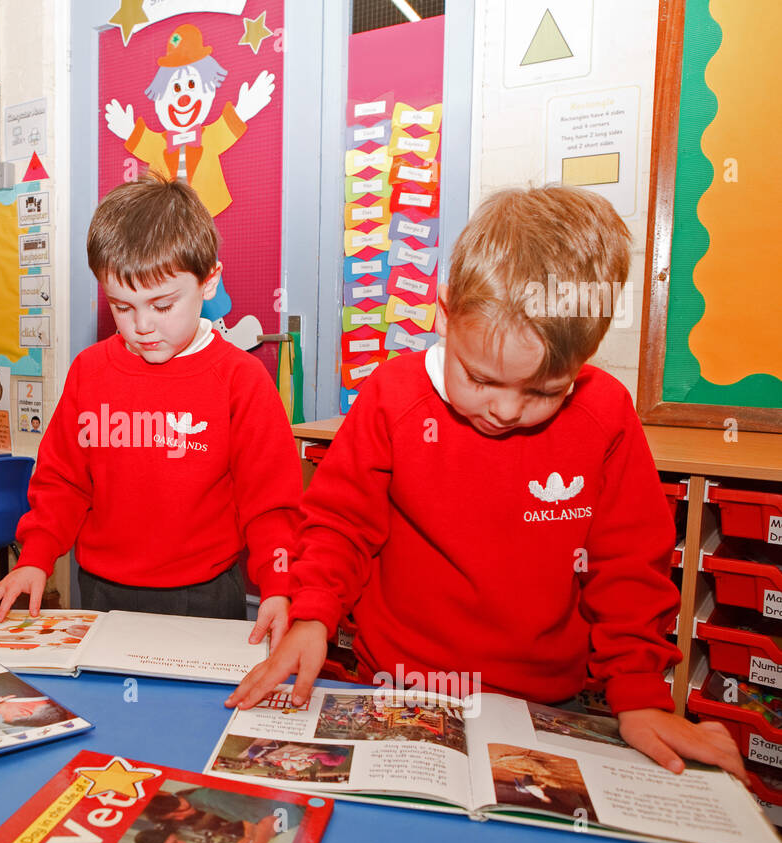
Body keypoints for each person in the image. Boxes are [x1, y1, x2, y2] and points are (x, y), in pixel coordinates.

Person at [227, 186, 745, 780]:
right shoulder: (393, 398)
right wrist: (314, 613)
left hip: (547, 704)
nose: (505, 410)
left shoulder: (605, 414)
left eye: (544, 391)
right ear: (445, 313)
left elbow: (629, 567)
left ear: (586, 357)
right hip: (395, 687)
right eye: (480, 379)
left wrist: (639, 693)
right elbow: (341, 525)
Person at [0, 175, 302, 640]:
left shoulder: (240, 380)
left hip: (204, 595)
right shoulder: (90, 371)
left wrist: (278, 586)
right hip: (101, 591)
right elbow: (63, 481)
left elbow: (270, 504)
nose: (142, 325)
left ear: (209, 281)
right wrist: (35, 559)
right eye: (122, 307)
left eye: (162, 305)